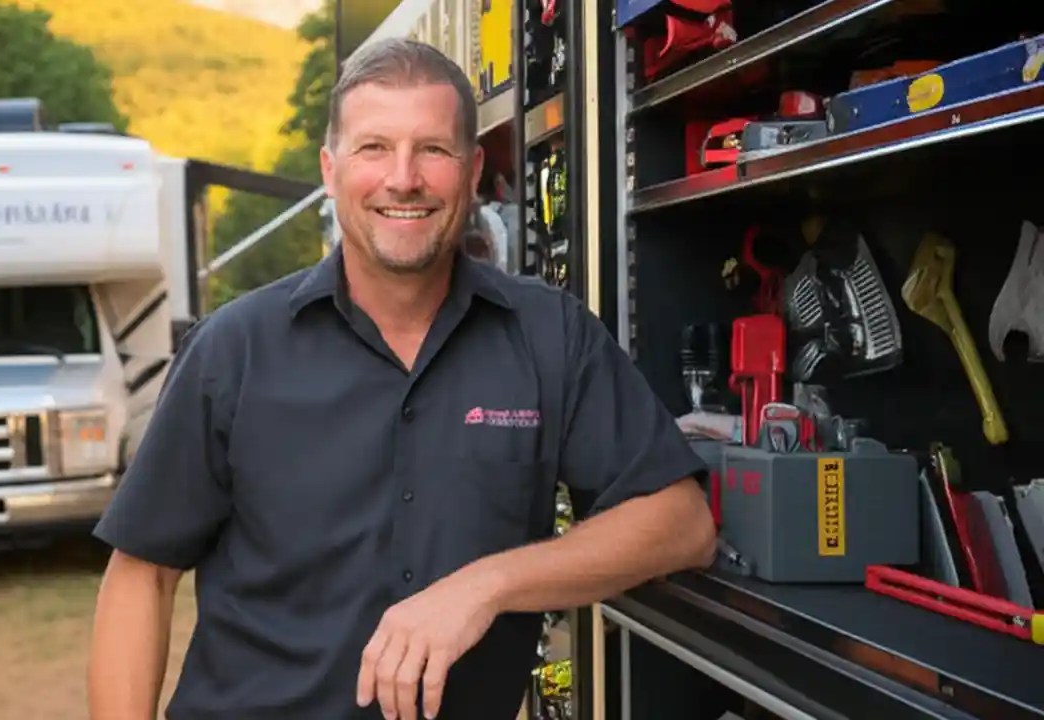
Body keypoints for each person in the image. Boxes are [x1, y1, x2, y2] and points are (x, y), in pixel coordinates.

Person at [87, 37, 716, 720]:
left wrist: (488, 583)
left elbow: (680, 524)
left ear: (473, 170)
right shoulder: (234, 351)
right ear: (331, 170)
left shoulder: (548, 337)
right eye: (374, 148)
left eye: (433, 150)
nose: (403, 178)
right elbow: (141, 576)